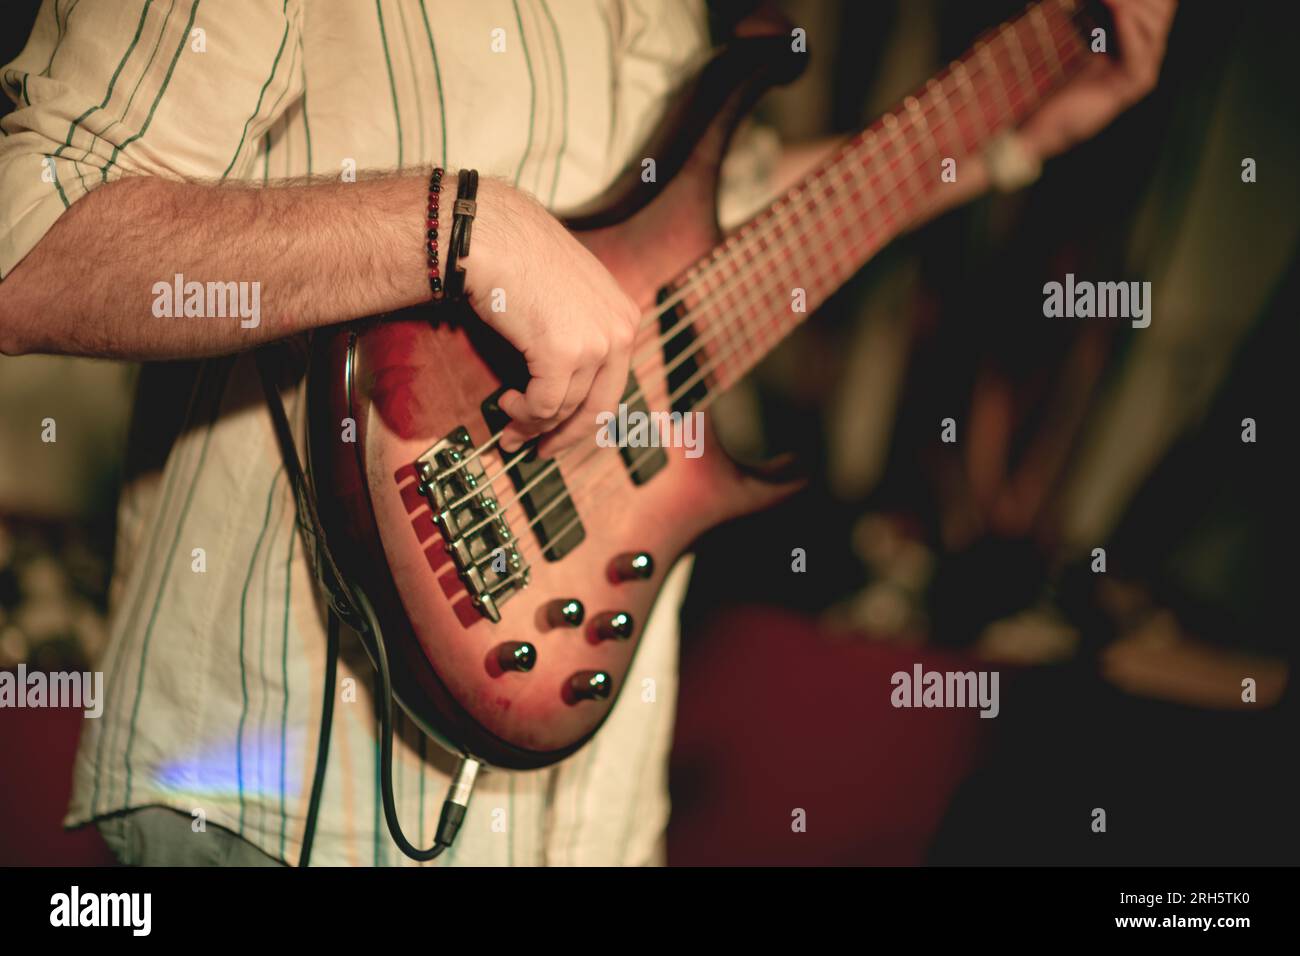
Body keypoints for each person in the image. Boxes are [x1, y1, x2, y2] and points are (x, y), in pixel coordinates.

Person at [0, 0, 1174, 866]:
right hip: (280, 799)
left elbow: (701, 264)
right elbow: (29, 239)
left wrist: (1010, 131)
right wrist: (460, 229)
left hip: (600, 817)